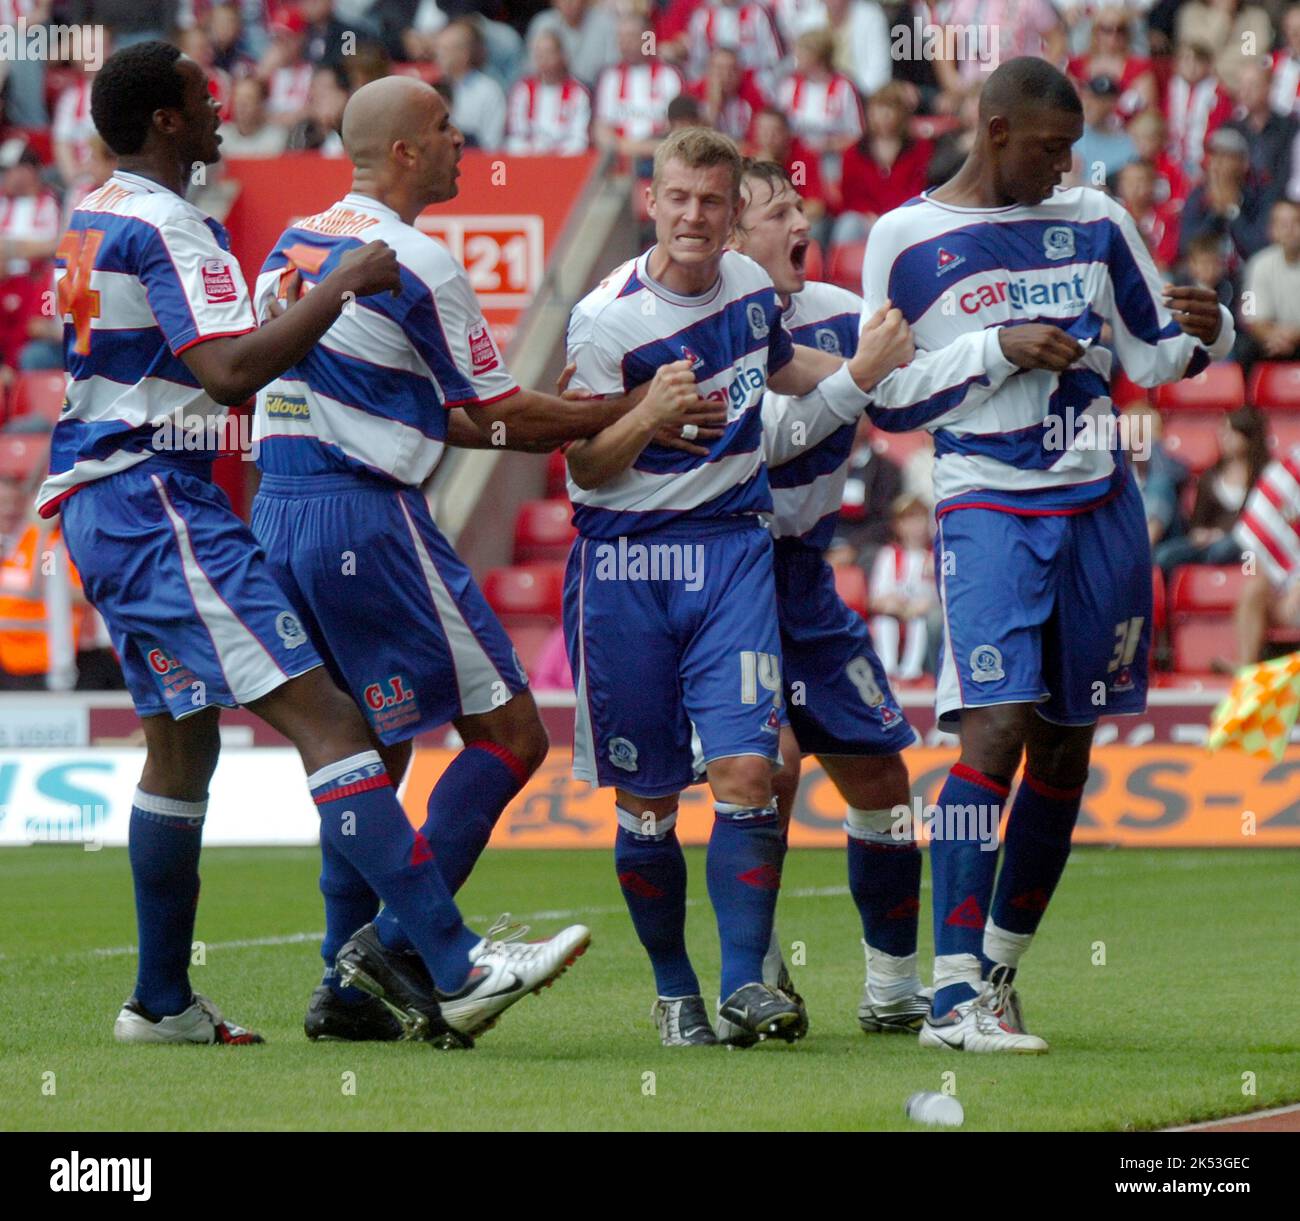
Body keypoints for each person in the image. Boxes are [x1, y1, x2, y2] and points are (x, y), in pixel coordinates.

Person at [37, 40, 580, 1049]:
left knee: (181, 741)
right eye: (204, 100)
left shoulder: (93, 209)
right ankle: (453, 964)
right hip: (155, 497)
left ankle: (161, 1001)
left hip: (98, 501)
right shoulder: (174, 226)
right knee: (331, 720)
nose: (222, 111)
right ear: (167, 121)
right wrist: (346, 286)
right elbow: (231, 374)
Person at [250, 75, 656, 1041]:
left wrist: (583, 417)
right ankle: (414, 949)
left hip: (280, 512)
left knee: (366, 754)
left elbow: (447, 415)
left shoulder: (290, 243)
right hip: (367, 517)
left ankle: (344, 993)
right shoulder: (418, 257)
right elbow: (502, 411)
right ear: (402, 153)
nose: (460, 138)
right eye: (440, 128)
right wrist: (630, 413)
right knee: (513, 735)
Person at [862, 56, 1236, 1053]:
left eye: (1073, 147)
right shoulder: (905, 238)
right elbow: (884, 393)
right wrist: (997, 348)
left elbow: (1158, 352)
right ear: (991, 131)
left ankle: (993, 975)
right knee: (993, 731)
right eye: (1048, 146)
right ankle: (946, 996)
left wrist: (1214, 325)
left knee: (1066, 746)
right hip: (987, 503)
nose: (1068, 163)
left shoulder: (1097, 221)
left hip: (1100, 501)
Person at [562, 126, 913, 1047]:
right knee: (645, 803)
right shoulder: (604, 319)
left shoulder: (755, 292)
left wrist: (863, 376)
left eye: (711, 203)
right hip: (626, 563)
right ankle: (675, 990)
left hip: (729, 554)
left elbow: (782, 368)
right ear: (652, 200)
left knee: (752, 771)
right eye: (678, 198)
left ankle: (743, 983)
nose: (692, 216)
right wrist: (646, 412)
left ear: (728, 218)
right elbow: (586, 467)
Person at [732, 159, 932, 1035]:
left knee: (884, 779)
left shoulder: (843, 313)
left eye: (799, 206)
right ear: (735, 242)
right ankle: (759, 970)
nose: (798, 221)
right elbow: (769, 443)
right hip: (726, 567)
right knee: (764, 769)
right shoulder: (713, 322)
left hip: (806, 572)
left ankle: (891, 988)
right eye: (777, 211)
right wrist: (856, 373)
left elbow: (914, 380)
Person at [1152, 408, 1269, 573]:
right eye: (1222, 432)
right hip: (1208, 542)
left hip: (1245, 541)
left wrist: (1221, 533)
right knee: (1163, 556)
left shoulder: (1266, 475)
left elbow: (1263, 520)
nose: (1223, 438)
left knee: (1224, 549)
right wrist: (1200, 533)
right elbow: (1198, 521)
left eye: (1230, 432)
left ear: (1247, 436)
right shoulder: (1211, 475)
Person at [869, 493, 937, 680]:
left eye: (920, 520)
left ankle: (911, 670)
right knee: (884, 621)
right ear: (898, 525)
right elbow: (876, 598)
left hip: (921, 612)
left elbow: (938, 596)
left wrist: (925, 604)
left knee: (920, 622)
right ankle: (887, 668)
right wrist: (893, 604)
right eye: (910, 521)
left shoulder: (934, 557)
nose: (917, 527)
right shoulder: (889, 555)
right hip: (896, 610)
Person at [505, 28, 593, 156]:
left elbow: (580, 139)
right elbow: (515, 135)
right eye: (539, 53)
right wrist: (535, 151)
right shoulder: (522, 90)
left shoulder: (578, 93)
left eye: (549, 52)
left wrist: (554, 154)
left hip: (565, 163)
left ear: (562, 55)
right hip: (528, 161)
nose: (544, 58)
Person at [1240, 198, 1300, 363]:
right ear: (1272, 230)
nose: (1289, 230)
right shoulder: (1257, 263)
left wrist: (1293, 336)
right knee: (1245, 348)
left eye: (1295, 223)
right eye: (1283, 224)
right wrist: (1273, 336)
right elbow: (1250, 314)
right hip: (1271, 339)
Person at [436, 18, 507, 151]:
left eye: (445, 50)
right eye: (438, 49)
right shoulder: (434, 88)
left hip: (477, 163)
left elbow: (492, 143)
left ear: (464, 54)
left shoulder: (489, 91)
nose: (439, 56)